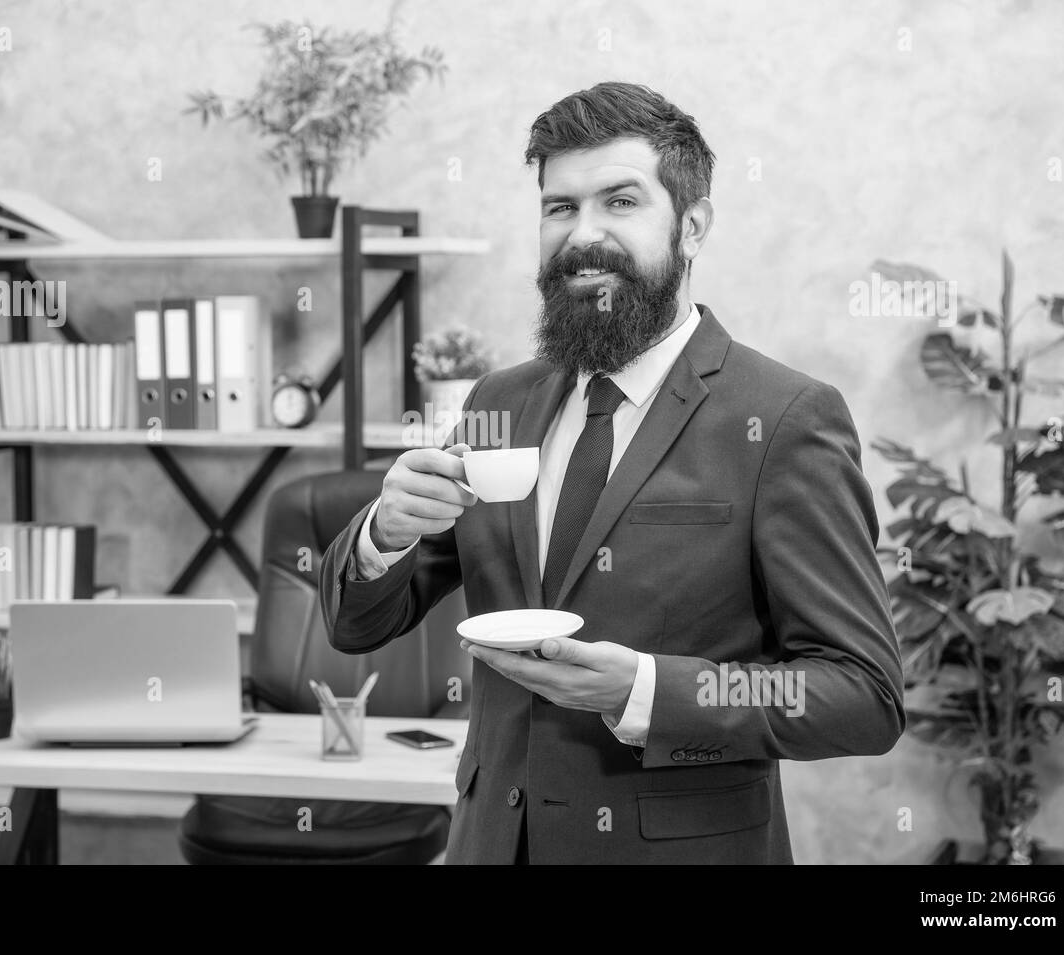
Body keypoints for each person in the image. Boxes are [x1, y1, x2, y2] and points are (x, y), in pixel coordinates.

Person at [319, 81, 904, 864]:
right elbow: (356, 625)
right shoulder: (499, 402)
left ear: (692, 225)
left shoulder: (785, 420)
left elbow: (860, 695)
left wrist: (646, 691)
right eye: (559, 207)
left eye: (620, 202)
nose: (582, 235)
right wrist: (383, 533)